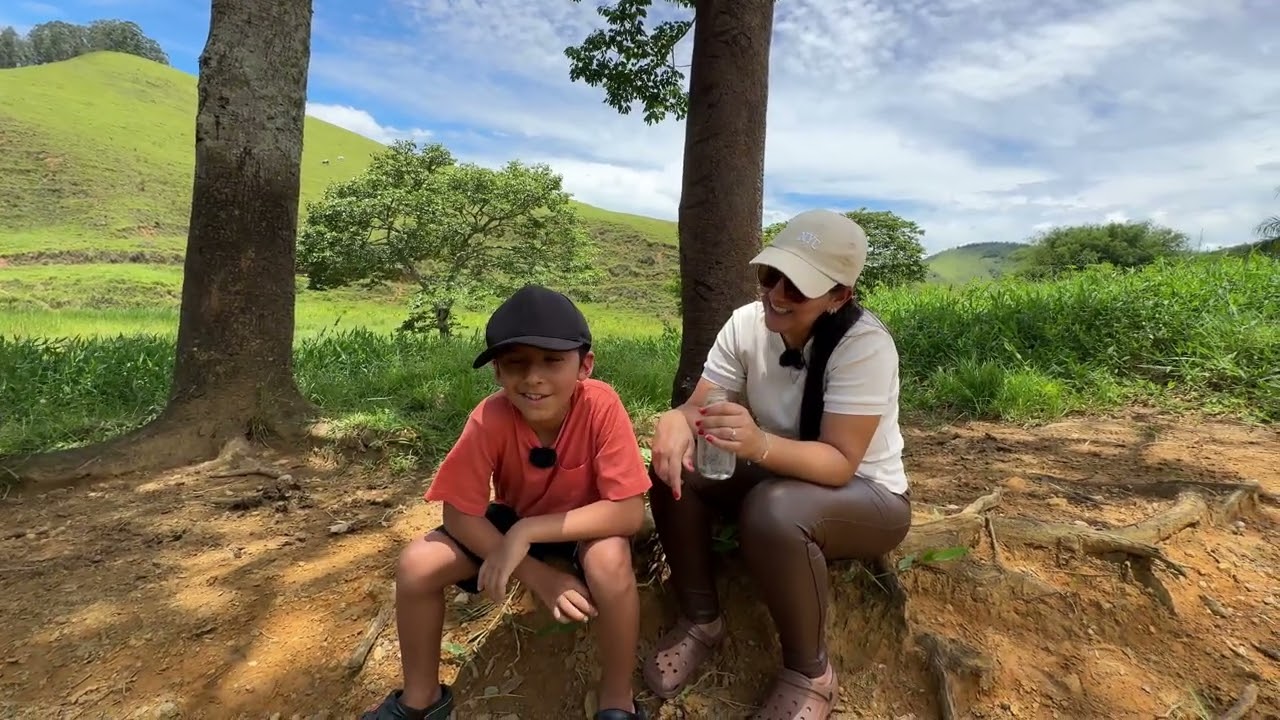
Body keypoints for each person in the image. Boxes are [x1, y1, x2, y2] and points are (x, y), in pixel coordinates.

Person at [641, 210, 913, 720]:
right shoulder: (746, 324)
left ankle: (810, 673)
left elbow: (838, 463)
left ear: (839, 297)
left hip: (867, 495)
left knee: (774, 508)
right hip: (785, 476)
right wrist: (675, 420)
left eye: (799, 286)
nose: (777, 295)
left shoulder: (864, 346)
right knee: (679, 468)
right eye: (771, 276)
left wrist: (758, 443)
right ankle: (701, 620)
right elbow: (698, 406)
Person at [362, 284, 653, 720]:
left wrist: (526, 532)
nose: (533, 377)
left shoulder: (601, 407)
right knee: (417, 566)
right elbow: (459, 512)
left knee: (610, 564)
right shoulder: (490, 417)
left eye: (552, 361)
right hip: (517, 519)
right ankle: (420, 699)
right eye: (516, 363)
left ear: (584, 366)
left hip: (585, 523)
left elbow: (628, 511)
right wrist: (535, 573)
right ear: (498, 372)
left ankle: (616, 699)